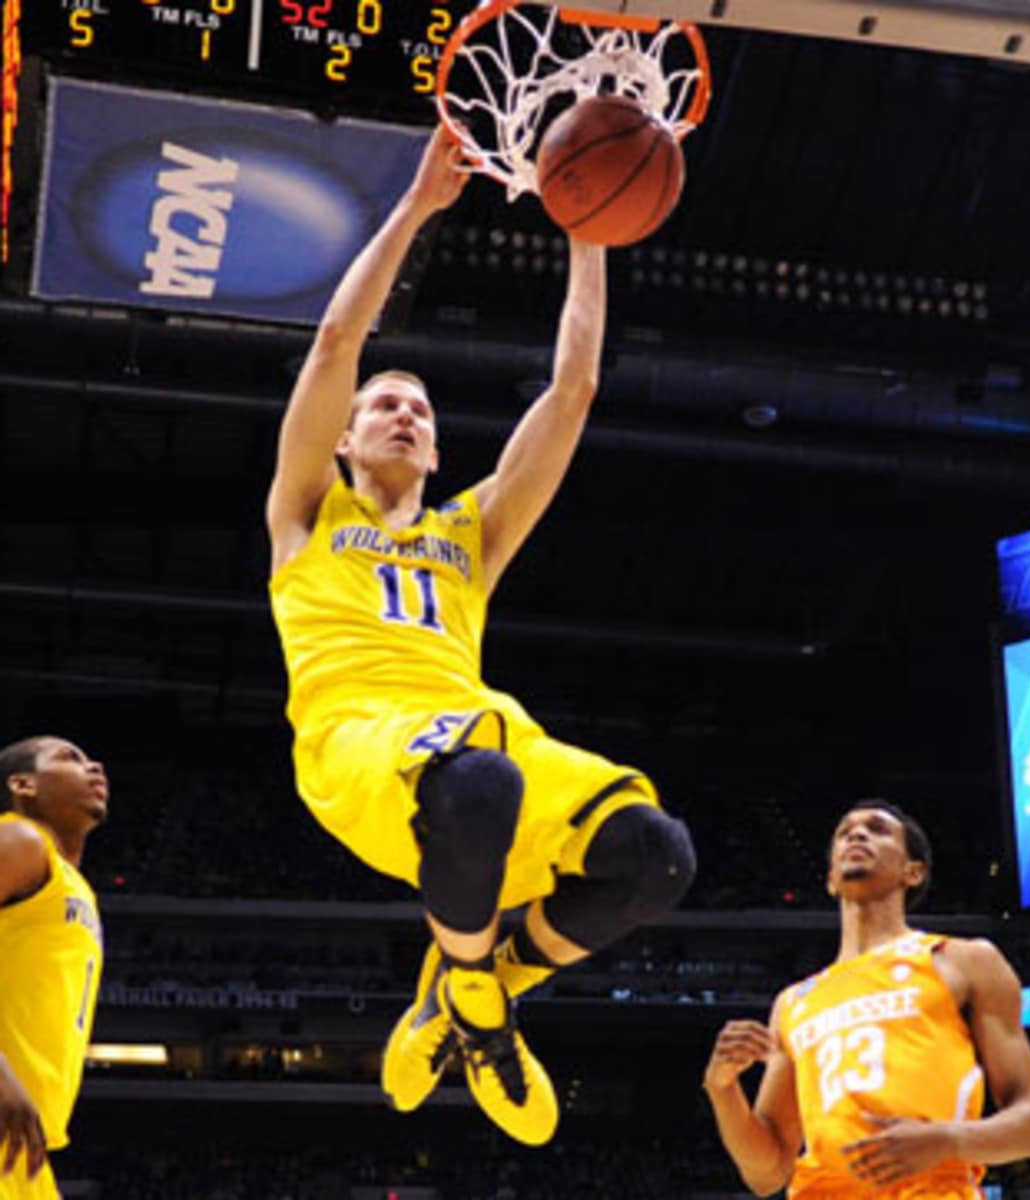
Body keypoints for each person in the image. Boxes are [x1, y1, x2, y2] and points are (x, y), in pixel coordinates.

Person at [266, 127, 695, 1146]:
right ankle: (472, 989)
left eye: (420, 409)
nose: (405, 415)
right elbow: (335, 346)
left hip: (474, 726)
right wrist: (416, 209)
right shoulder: (305, 512)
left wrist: (587, 230)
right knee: (479, 782)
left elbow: (574, 389)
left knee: (655, 858)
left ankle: (475, 985)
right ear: (343, 434)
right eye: (385, 405)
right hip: (357, 740)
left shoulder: (475, 533)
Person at [704, 800, 1030, 1198]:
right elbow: (766, 1173)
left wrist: (946, 1139)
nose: (856, 834)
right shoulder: (793, 1002)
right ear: (831, 879)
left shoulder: (964, 960)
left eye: (877, 829)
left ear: (913, 872)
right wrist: (722, 1087)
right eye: (844, 831)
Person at [0, 737, 107, 1200]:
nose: (95, 766)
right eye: (70, 759)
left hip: (23, 1148)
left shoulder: (70, 884)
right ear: (23, 784)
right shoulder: (20, 840)